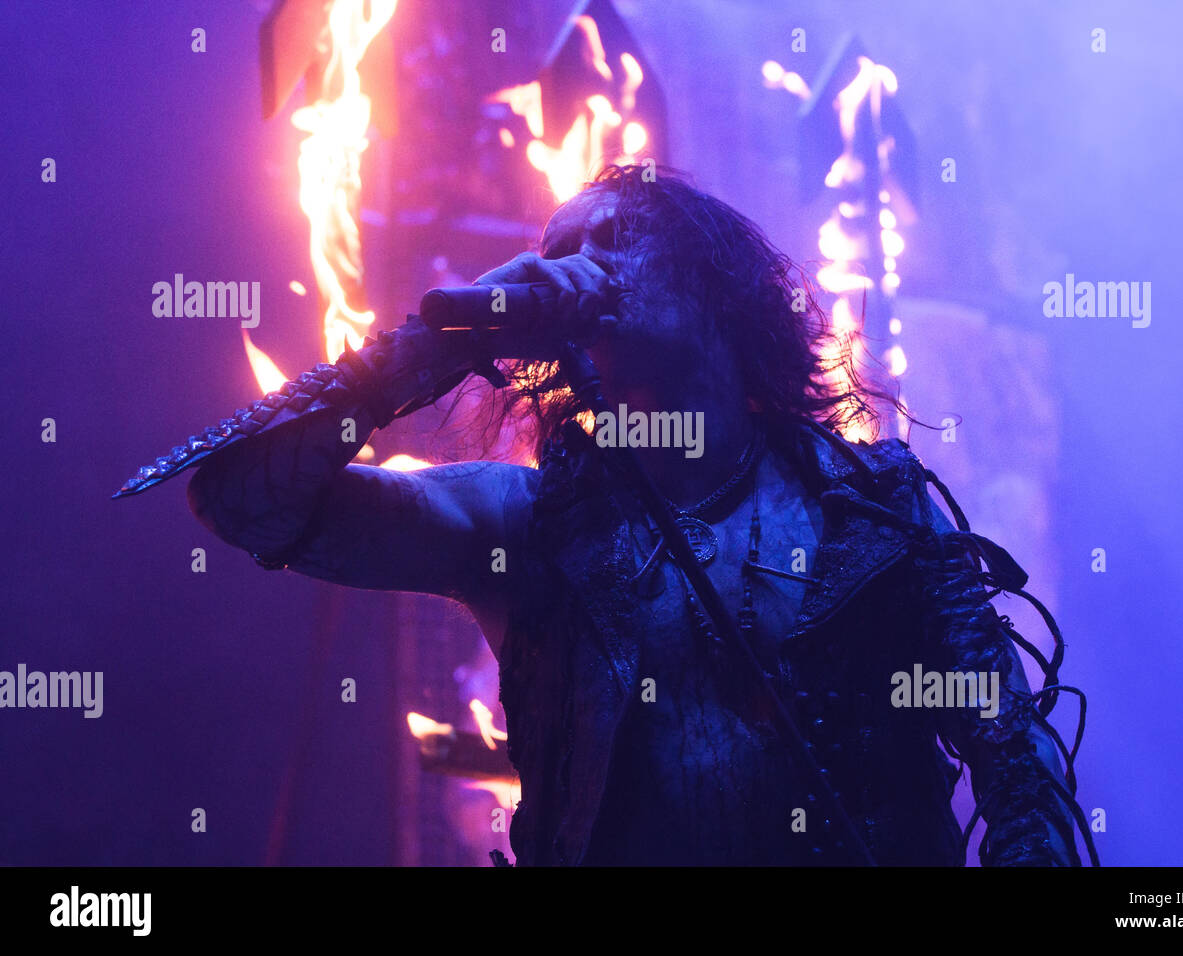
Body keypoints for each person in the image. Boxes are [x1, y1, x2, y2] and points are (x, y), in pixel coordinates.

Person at [117, 164, 1089, 866]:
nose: (574, 272)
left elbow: (1008, 747)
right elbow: (240, 498)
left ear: (713, 283)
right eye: (556, 254)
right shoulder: (521, 525)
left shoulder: (872, 503)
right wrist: (440, 339)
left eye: (610, 241)